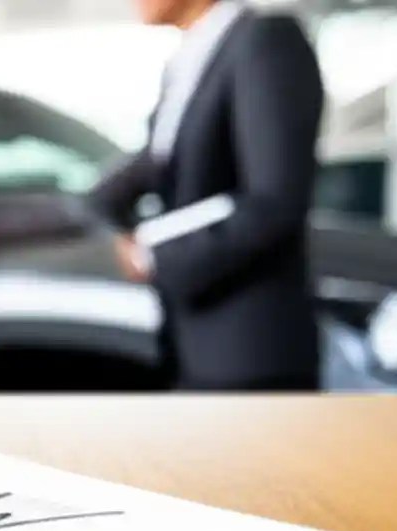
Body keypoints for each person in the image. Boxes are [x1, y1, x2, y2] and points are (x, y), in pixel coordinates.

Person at [89, 0, 326, 391]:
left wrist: (151, 255)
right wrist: (86, 213)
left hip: (251, 353)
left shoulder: (266, 41)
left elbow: (273, 201)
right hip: (191, 344)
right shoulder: (187, 61)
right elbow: (161, 164)